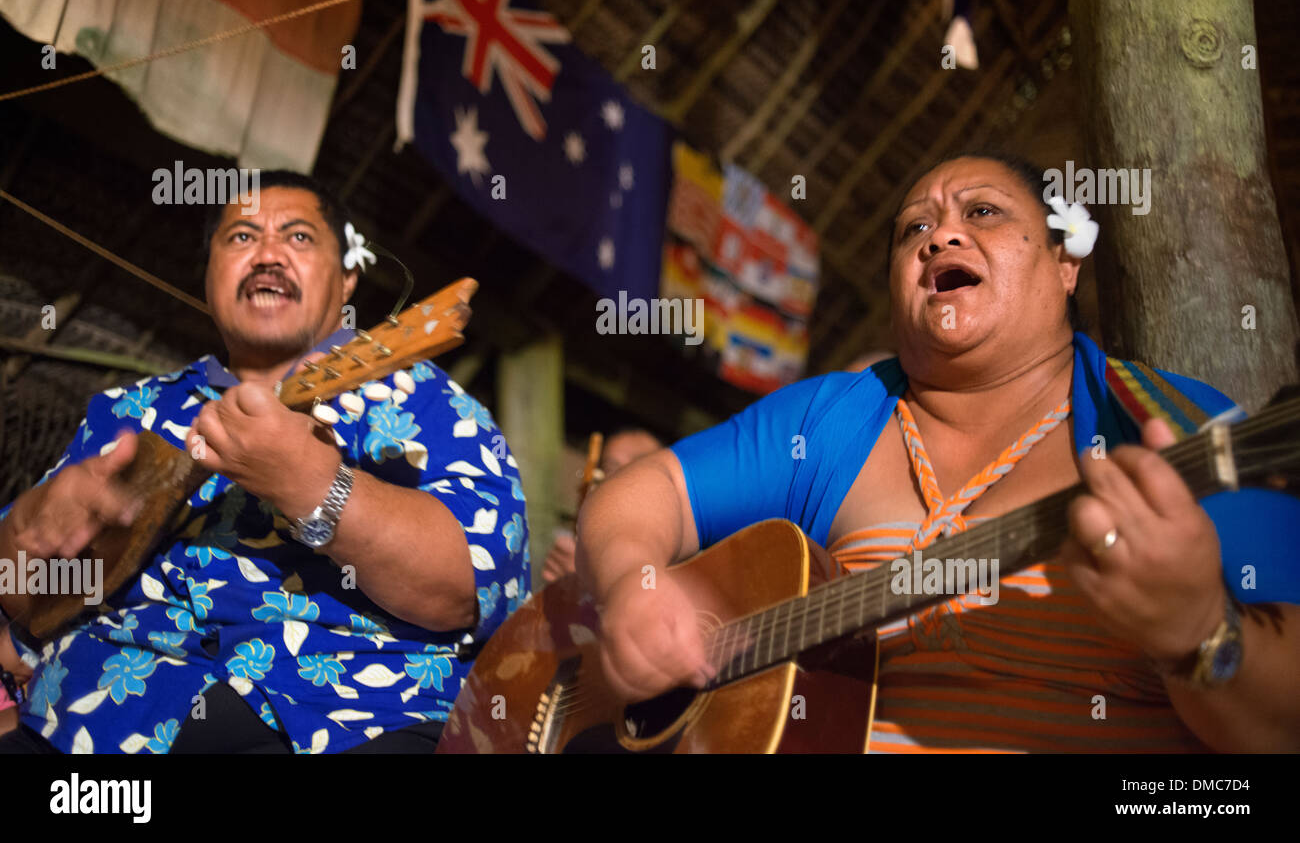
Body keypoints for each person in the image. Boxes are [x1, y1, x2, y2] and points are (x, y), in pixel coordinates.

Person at [577, 152, 1300, 753]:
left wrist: (1200, 633)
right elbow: (646, 492)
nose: (939, 236)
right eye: (913, 228)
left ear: (1063, 262)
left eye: (982, 212)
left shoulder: (1177, 428)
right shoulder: (837, 415)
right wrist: (633, 584)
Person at [0, 172, 529, 753]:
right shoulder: (127, 412)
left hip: (353, 722)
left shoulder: (424, 402)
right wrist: (24, 535)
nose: (269, 256)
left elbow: (474, 587)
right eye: (241, 238)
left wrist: (317, 486)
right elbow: (26, 609)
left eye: (299, 238)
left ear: (348, 279)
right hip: (93, 726)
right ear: (209, 279)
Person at [541, 428, 661, 583]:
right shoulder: (577, 540)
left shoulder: (671, 559)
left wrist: (587, 584)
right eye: (611, 467)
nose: (622, 476)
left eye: (638, 466)